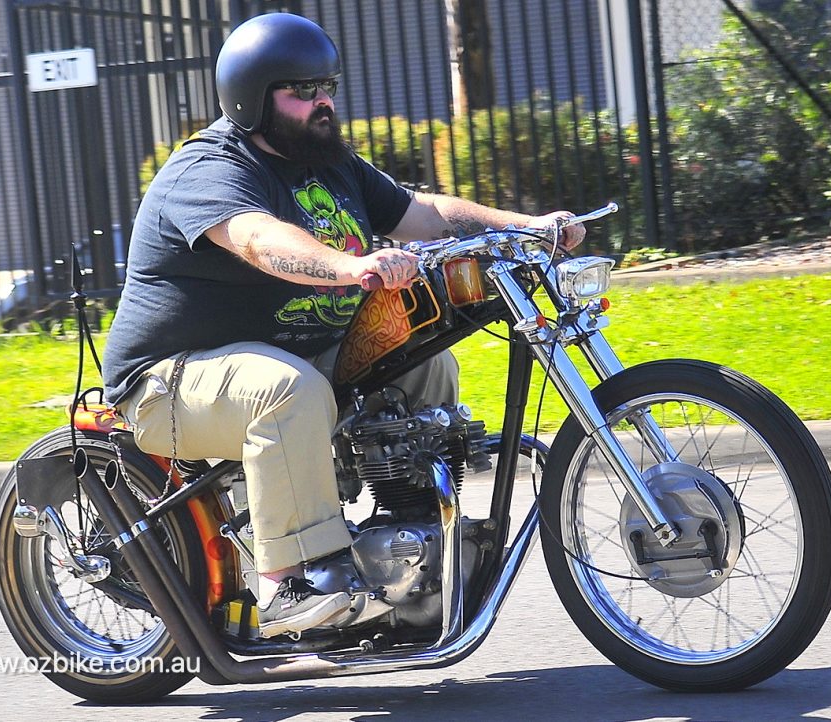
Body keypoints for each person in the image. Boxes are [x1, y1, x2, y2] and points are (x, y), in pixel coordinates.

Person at [102, 12, 584, 639]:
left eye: (328, 85)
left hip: (294, 358)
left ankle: (414, 554)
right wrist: (349, 267)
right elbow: (257, 238)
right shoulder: (210, 169)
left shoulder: (327, 161)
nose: (322, 100)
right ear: (250, 97)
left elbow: (424, 212)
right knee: (284, 390)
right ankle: (292, 584)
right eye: (302, 90)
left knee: (424, 355)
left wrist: (526, 228)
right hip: (169, 380)